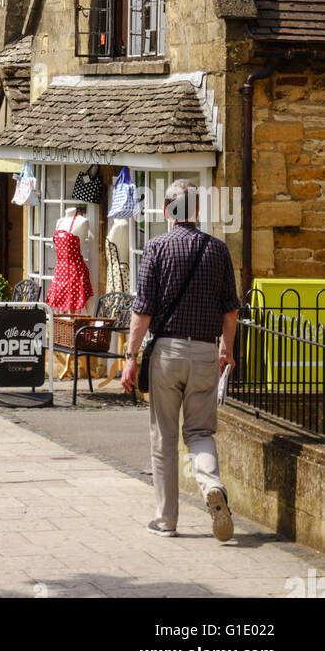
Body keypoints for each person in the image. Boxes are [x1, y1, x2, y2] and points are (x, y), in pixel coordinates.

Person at [122, 179, 240, 542]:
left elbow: (142, 312)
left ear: (166, 211)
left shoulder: (157, 248)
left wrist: (130, 358)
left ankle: (166, 520)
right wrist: (226, 350)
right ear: (198, 210)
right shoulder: (218, 250)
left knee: (164, 438)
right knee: (200, 432)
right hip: (205, 351)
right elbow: (231, 312)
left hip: (167, 354)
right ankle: (211, 487)